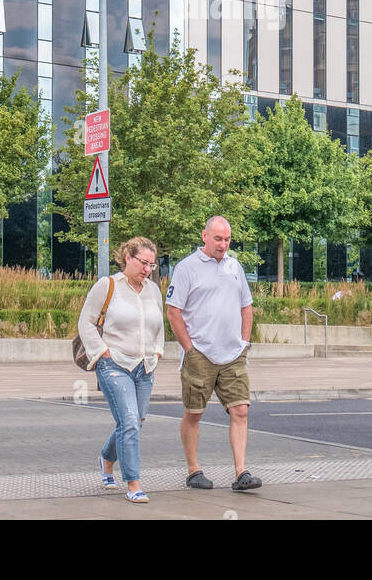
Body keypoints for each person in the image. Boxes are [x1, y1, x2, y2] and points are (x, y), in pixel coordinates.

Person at [166, 216, 261, 492]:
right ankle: (193, 470)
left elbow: (247, 306)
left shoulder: (235, 266)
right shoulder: (186, 268)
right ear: (204, 236)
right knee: (194, 413)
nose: (223, 244)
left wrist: (244, 343)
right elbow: (173, 311)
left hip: (233, 354)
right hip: (200, 354)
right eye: (218, 239)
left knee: (241, 410)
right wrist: (189, 349)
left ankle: (241, 472)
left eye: (227, 239)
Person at [76, 236, 165, 504]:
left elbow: (158, 325)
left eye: (152, 264)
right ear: (128, 257)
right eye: (143, 262)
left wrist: (158, 351)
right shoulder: (108, 285)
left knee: (135, 422)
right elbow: (86, 322)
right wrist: (102, 352)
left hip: (145, 366)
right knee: (128, 422)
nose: (148, 269)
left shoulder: (152, 290)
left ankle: (106, 458)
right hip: (114, 364)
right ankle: (133, 483)